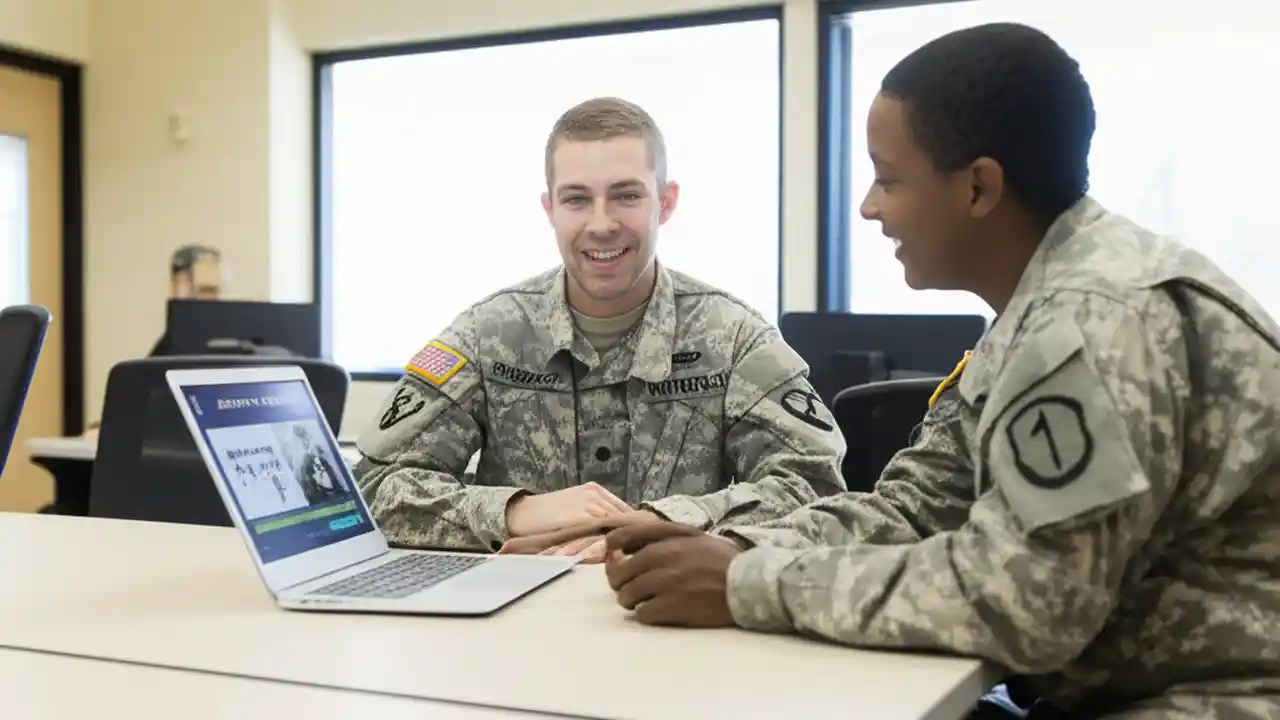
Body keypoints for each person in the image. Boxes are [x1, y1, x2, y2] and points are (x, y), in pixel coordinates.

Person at [592, 23, 1280, 719]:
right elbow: (916, 507)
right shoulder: (1041, 307)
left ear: (979, 187)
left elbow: (1027, 601)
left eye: (889, 179)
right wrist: (726, 548)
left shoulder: (1094, 318)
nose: (869, 207)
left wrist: (747, 583)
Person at [353, 97, 846, 556]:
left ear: (666, 202)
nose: (601, 223)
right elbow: (373, 487)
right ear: (550, 209)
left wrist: (668, 522)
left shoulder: (733, 337)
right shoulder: (490, 335)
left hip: (676, 604)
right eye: (577, 199)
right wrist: (515, 512)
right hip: (514, 607)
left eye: (626, 195)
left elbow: (815, 489)